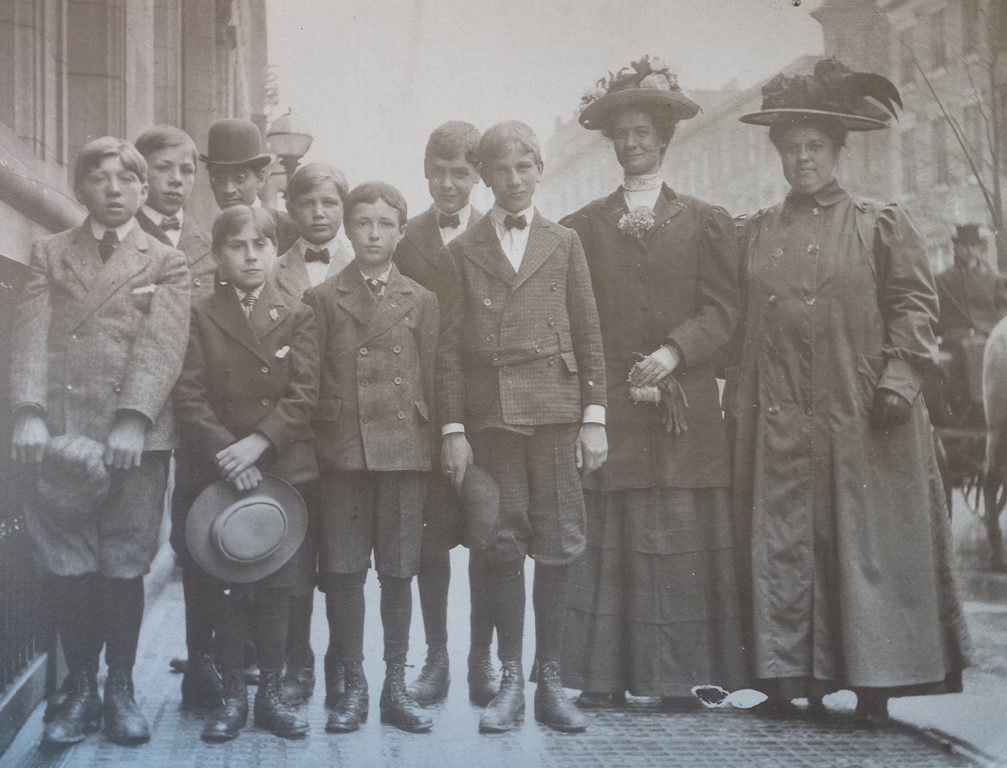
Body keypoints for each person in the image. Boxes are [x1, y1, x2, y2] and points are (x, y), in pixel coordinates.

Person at [727, 57, 972, 725]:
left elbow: (914, 307)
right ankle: (787, 681)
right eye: (791, 148)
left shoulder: (878, 223)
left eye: (815, 146)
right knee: (784, 541)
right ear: (778, 155)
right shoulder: (756, 231)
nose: (803, 159)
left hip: (862, 412)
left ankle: (875, 685)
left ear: (837, 152)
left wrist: (899, 379)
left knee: (864, 546)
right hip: (777, 412)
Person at [558, 55, 747, 710]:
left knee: (682, 536)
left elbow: (723, 310)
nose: (632, 143)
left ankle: (684, 677)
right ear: (611, 143)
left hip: (684, 407)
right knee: (618, 535)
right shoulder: (583, 227)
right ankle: (605, 676)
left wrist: (675, 351)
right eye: (622, 134)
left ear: (664, 139)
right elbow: (576, 319)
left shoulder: (704, 220)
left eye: (643, 132)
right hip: (614, 406)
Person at [9, 137, 190, 746]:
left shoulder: (166, 261)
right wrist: (29, 411)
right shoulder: (50, 251)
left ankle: (121, 688)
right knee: (69, 564)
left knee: (123, 564)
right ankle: (81, 686)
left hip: (134, 442)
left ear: (143, 189)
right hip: (63, 435)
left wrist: (133, 418)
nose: (114, 189)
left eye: (126, 178)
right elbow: (30, 336)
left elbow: (163, 346)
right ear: (80, 188)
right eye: (99, 178)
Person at [438, 121, 607, 734]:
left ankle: (550, 681)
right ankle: (511, 680)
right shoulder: (462, 250)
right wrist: (453, 427)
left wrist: (594, 417)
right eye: (501, 170)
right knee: (502, 544)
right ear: (484, 177)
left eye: (524, 167)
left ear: (540, 169)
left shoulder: (565, 241)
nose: (513, 180)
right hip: (495, 419)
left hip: (558, 413)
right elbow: (448, 350)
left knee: (560, 543)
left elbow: (588, 330)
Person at [173, 205, 317, 741]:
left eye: (261, 245)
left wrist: (259, 443)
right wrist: (227, 453)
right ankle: (232, 695)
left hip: (278, 467)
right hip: (219, 471)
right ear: (218, 256)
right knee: (227, 580)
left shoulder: (298, 313)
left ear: (275, 252)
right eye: (237, 245)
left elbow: (305, 393)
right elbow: (188, 394)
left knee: (277, 585)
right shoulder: (200, 313)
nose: (251, 255)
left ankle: (271, 695)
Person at [304, 182, 440, 734]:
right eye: (363, 223)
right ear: (348, 228)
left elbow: (432, 377)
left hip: (405, 452)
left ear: (402, 232)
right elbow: (313, 381)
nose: (374, 234)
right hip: (344, 452)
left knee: (399, 572)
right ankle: (353, 686)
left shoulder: (422, 299)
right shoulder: (323, 298)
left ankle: (395, 688)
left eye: (385, 224)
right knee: (343, 571)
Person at [393, 121, 496, 707]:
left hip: (485, 406)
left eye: (461, 173)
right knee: (429, 540)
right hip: (423, 409)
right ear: (425, 172)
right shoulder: (405, 238)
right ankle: (436, 658)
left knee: (488, 532)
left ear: (478, 175)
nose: (449, 184)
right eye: (439, 172)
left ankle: (483, 657)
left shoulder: (497, 231)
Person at [134, 124, 223, 709]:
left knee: (198, 531)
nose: (176, 180)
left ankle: (204, 661)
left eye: (186, 170)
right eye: (163, 167)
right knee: (135, 540)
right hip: (139, 413)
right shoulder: (124, 235)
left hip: (195, 412)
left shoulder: (205, 243)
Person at [273, 162, 353, 706]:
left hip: (348, 436)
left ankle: (343, 665)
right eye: (307, 203)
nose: (319, 213)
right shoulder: (273, 269)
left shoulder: (366, 261)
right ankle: (295, 661)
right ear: (290, 209)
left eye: (328, 202)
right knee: (296, 556)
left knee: (344, 557)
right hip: (294, 437)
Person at [200, 118, 299, 255]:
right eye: (219, 177)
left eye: (240, 177)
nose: (228, 189)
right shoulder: (204, 236)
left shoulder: (290, 228)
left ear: (260, 179)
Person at [935, 224, 1007, 343]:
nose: (968, 250)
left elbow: (1002, 312)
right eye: (963, 245)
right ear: (955, 249)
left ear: (980, 248)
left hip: (988, 338)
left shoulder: (993, 279)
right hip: (954, 340)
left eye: (973, 245)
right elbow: (934, 315)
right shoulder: (941, 280)